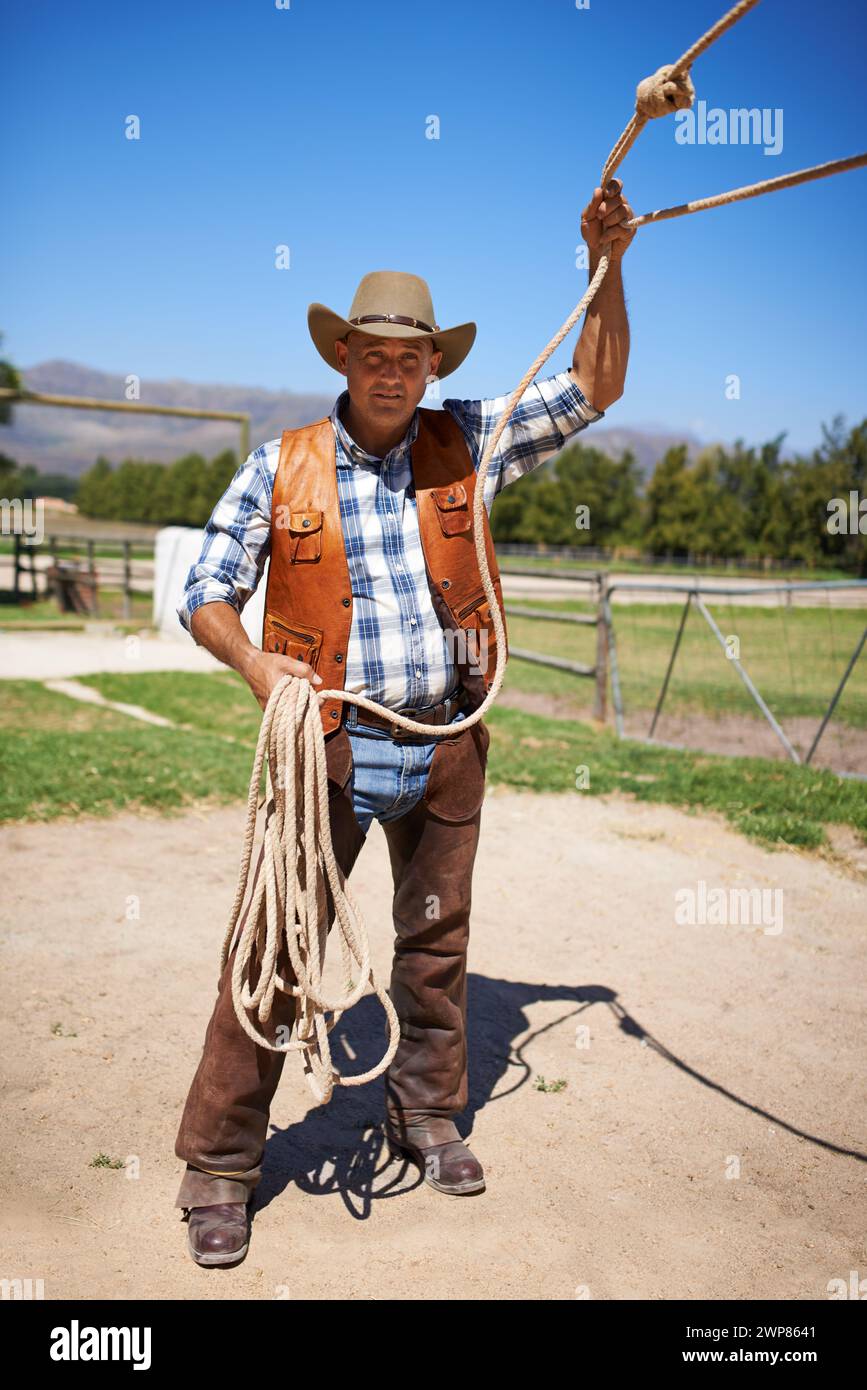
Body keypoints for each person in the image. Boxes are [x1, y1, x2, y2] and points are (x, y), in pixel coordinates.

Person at [173, 180, 635, 1266]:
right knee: (274, 947)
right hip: (325, 742)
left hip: (448, 738)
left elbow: (594, 387)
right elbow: (204, 587)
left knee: (435, 943)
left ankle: (425, 1113)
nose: (393, 369)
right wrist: (254, 667)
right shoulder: (279, 464)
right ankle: (219, 1163)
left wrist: (609, 266)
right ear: (342, 357)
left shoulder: (467, 441)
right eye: (374, 352)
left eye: (412, 354)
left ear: (436, 365)